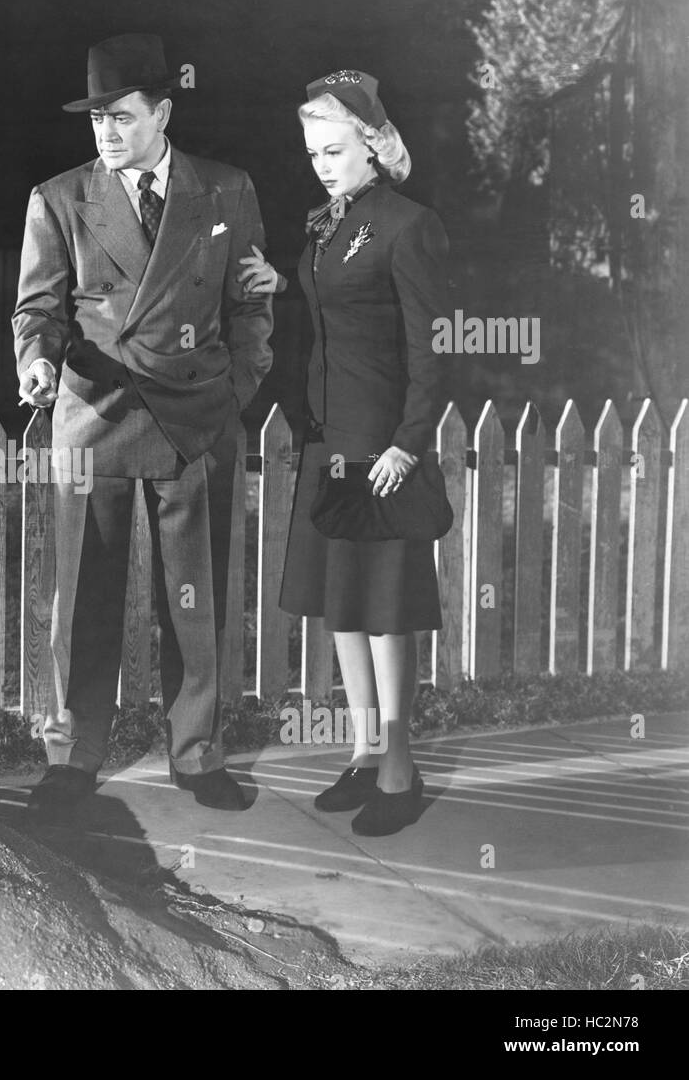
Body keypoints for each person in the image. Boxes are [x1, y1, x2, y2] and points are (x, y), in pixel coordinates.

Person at [12, 33, 274, 815]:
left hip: (193, 420)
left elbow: (252, 300)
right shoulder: (58, 199)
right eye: (96, 120)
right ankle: (71, 759)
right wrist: (36, 360)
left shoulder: (226, 192)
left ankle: (196, 755)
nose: (107, 133)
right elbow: (38, 309)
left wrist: (239, 390)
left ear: (161, 112)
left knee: (193, 601)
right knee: (84, 600)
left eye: (121, 117)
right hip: (95, 417)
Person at [240, 70, 448, 836]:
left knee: (387, 613)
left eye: (334, 150)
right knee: (343, 611)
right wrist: (282, 285)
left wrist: (408, 444)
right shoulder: (330, 223)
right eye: (314, 152)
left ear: (371, 143)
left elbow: (431, 349)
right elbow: (341, 306)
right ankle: (363, 756)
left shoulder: (408, 223)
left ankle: (400, 769)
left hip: (381, 448)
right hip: (329, 441)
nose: (323, 164)